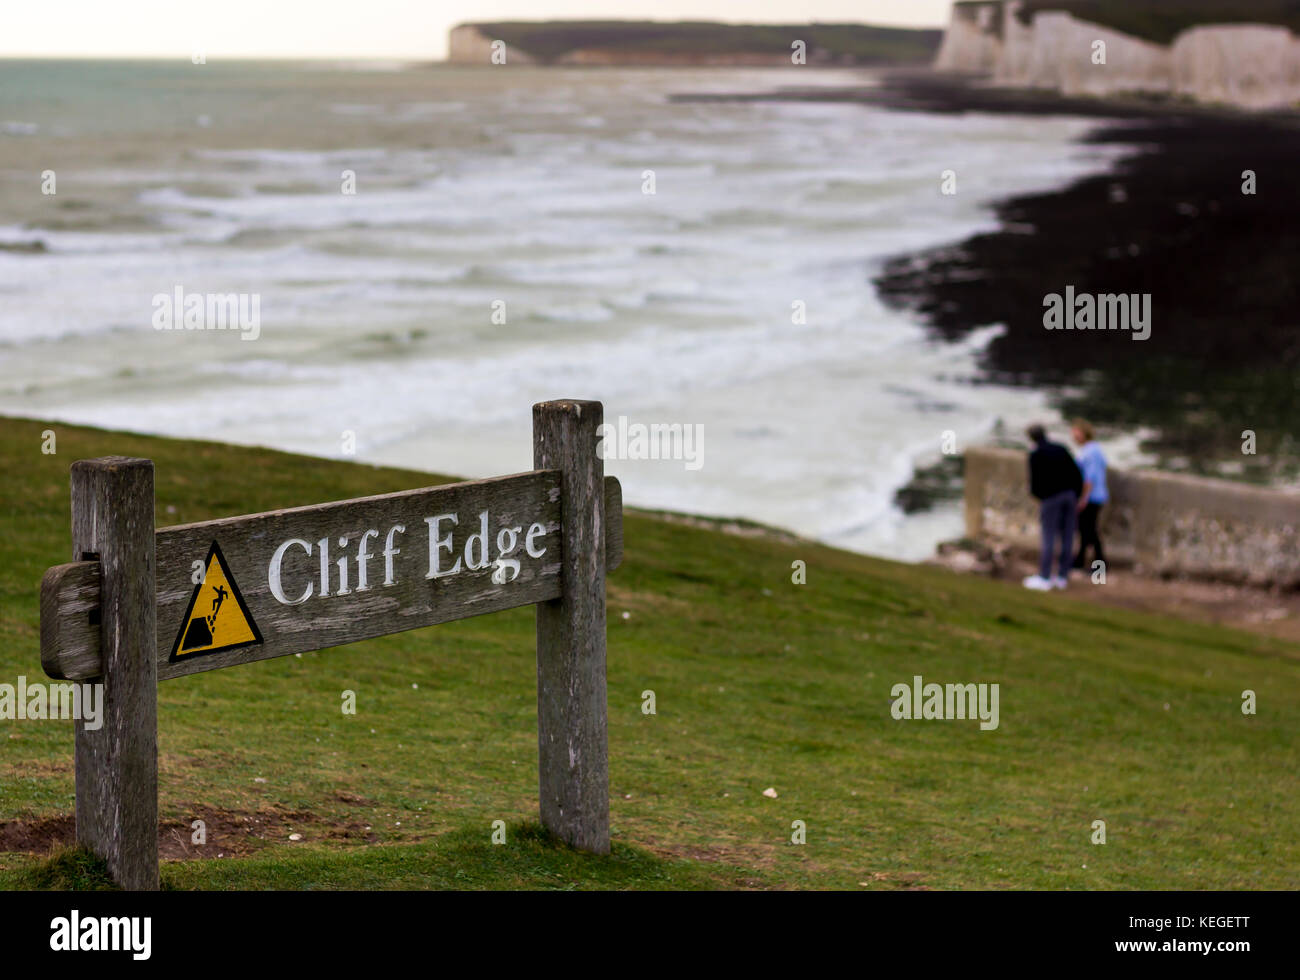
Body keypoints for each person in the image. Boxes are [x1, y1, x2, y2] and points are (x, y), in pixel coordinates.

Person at [1023, 424, 1081, 591]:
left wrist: (1041, 497)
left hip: (1051, 498)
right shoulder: (1061, 448)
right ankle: (1062, 577)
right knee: (1068, 536)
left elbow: (1034, 483)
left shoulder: (1036, 455)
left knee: (1048, 537)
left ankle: (1045, 577)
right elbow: (1076, 473)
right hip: (1069, 496)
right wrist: (1075, 494)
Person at [1070, 419, 1108, 574]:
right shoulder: (1092, 449)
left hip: (1092, 497)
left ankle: (1100, 566)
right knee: (1086, 531)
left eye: (1076, 433)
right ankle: (1081, 560)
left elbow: (1089, 478)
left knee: (1090, 532)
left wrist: (1083, 498)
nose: (1074, 436)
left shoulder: (1091, 451)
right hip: (1094, 496)